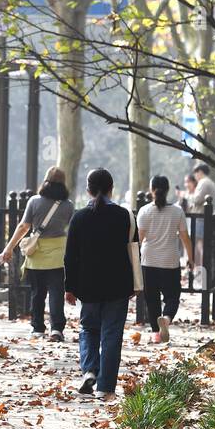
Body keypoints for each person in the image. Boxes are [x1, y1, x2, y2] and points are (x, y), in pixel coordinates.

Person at [64, 166, 137, 402]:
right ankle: (105, 387)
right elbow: (134, 251)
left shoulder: (79, 217)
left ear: (88, 190)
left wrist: (69, 286)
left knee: (88, 329)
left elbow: (70, 256)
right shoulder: (124, 216)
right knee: (112, 335)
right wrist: (136, 283)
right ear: (111, 189)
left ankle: (89, 370)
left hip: (88, 286)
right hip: (118, 285)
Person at [0, 166, 74, 339]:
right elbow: (71, 229)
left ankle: (37, 328)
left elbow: (24, 226)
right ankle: (57, 329)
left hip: (36, 254)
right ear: (63, 184)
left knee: (37, 292)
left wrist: (9, 248)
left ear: (45, 181)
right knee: (56, 293)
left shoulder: (34, 201)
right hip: (58, 255)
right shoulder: (68, 205)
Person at [137, 175, 193, 344]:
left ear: (151, 190)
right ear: (168, 190)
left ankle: (156, 334)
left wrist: (132, 262)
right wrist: (191, 258)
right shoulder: (177, 211)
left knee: (151, 298)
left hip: (149, 260)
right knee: (173, 296)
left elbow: (138, 240)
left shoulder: (144, 211)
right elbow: (185, 237)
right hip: (170, 260)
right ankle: (166, 319)